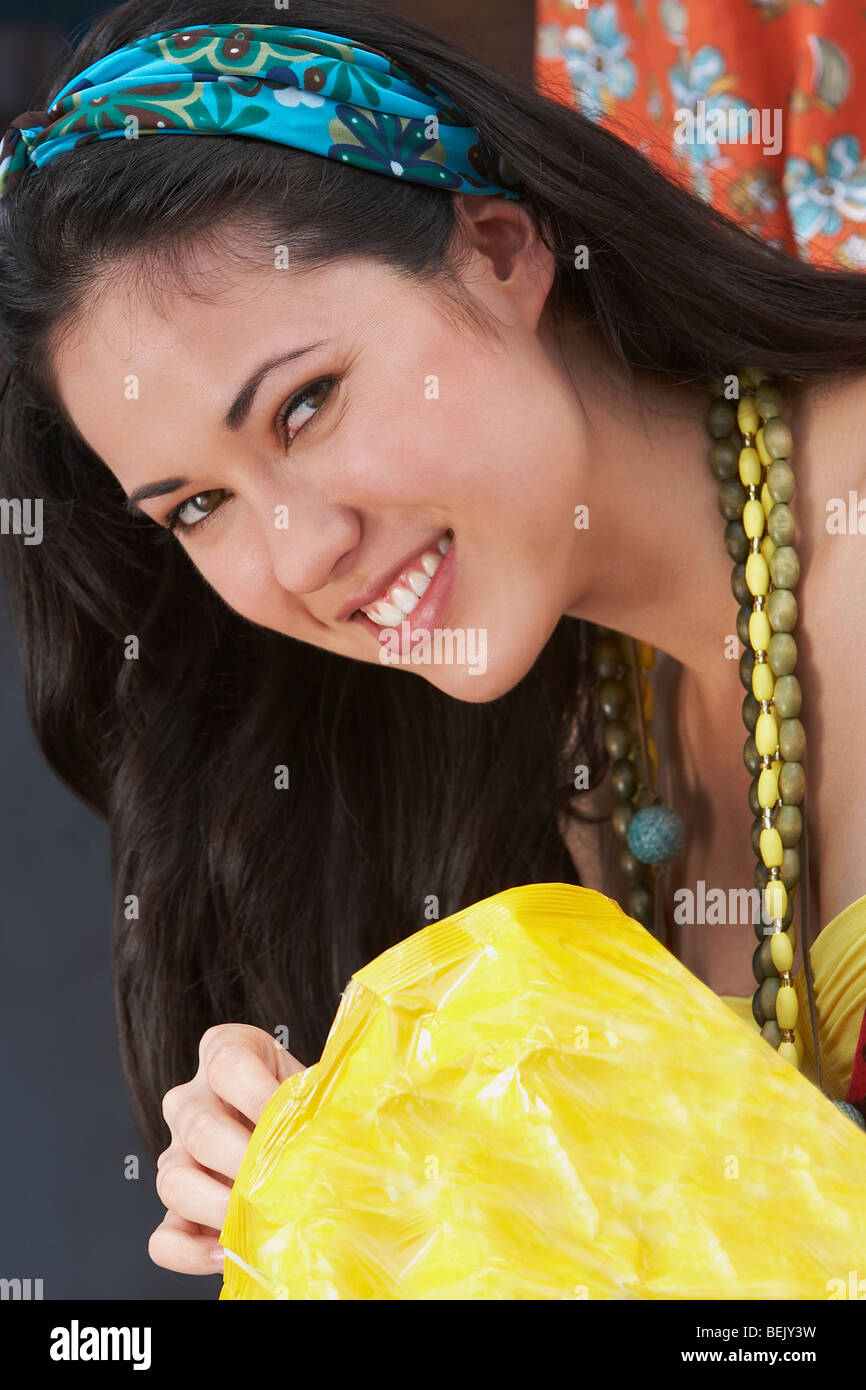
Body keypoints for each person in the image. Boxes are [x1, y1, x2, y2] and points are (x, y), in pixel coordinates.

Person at [1, 0, 865, 1283]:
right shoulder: (570, 747)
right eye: (197, 505)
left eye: (305, 406)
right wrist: (335, 1147)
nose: (300, 553)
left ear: (500, 252)